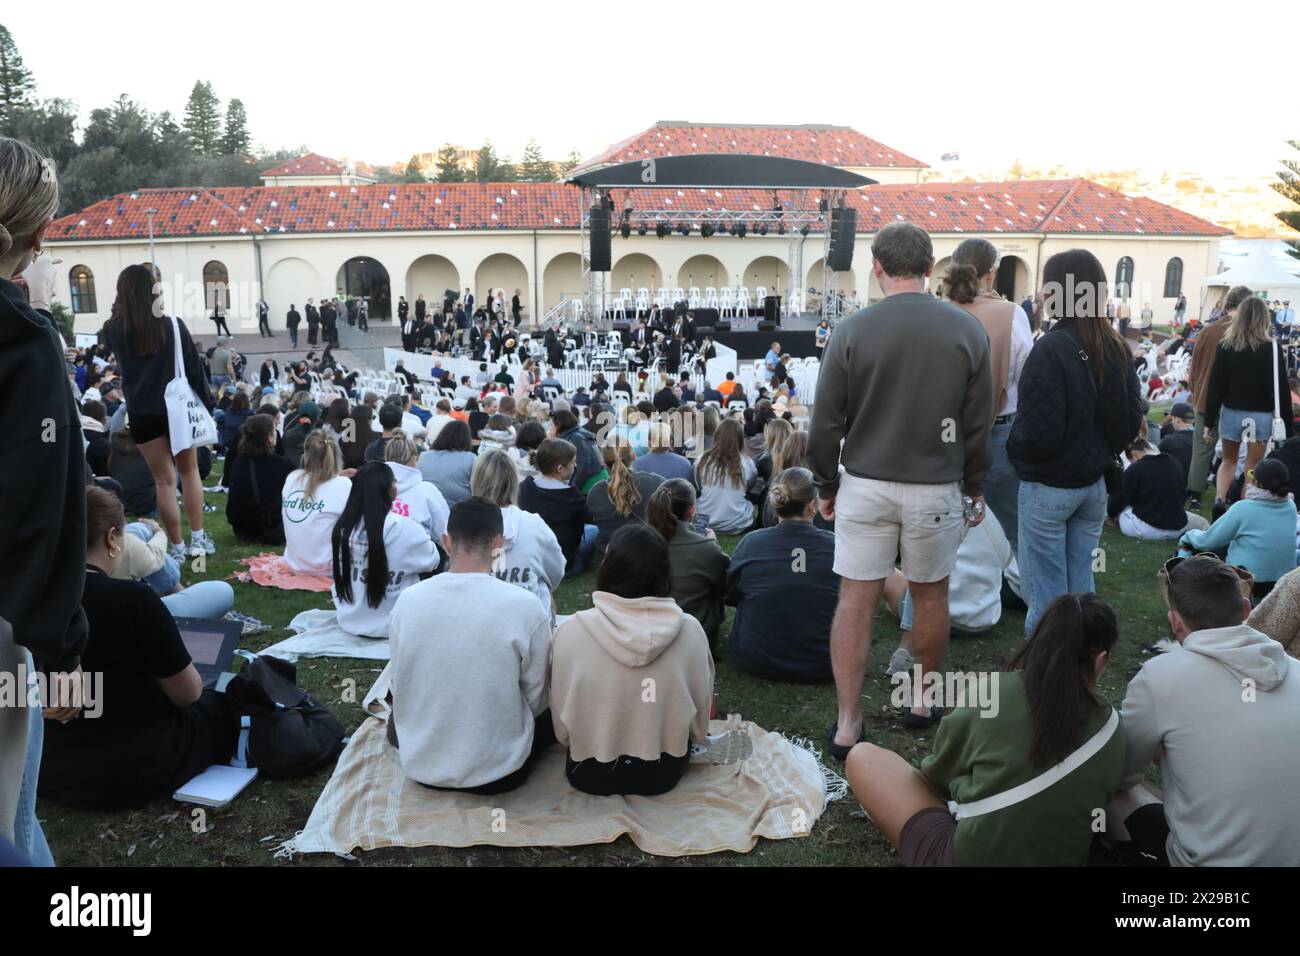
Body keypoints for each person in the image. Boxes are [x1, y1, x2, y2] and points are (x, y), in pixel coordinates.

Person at [809, 221, 994, 743]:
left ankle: (848, 723)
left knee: (855, 599)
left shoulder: (852, 330)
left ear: (878, 267)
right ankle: (921, 701)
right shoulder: (965, 329)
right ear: (931, 268)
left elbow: (825, 421)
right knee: (931, 597)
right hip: (935, 485)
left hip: (865, 482)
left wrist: (825, 485)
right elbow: (978, 423)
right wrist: (974, 483)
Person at [847, 593, 1124, 866]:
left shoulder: (992, 691)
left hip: (966, 856)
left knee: (864, 757)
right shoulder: (1112, 728)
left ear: (1039, 639)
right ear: (1100, 660)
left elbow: (938, 776)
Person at [39, 487, 241, 809]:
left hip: (51, 770)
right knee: (220, 706)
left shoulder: (27, 605)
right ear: (112, 537)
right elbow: (187, 694)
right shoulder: (133, 599)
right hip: (135, 769)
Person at [0, 137, 87, 864]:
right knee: (11, 834)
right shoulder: (26, 346)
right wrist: (60, 653)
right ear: (37, 236)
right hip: (5, 638)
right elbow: (43, 516)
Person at [1109, 555, 1300, 866]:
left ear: (1175, 621)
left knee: (1115, 795)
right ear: (1246, 608)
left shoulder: (1160, 677)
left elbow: (1122, 773)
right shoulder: (1297, 671)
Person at [1008, 249, 1143, 635]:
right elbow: (1130, 420)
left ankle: (1050, 683)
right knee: (1080, 590)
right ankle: (1079, 671)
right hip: (1091, 486)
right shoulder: (1115, 346)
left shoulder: (1051, 348)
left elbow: (1036, 433)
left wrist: (1015, 448)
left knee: (1048, 599)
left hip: (1052, 487)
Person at [386, 496, 553, 794]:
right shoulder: (526, 607)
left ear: (446, 541)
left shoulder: (408, 601)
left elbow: (401, 681)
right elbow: (537, 698)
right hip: (499, 774)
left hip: (421, 764)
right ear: (498, 543)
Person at [551, 523, 713, 796]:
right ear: (665, 572)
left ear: (608, 566)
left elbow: (562, 731)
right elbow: (700, 728)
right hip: (663, 775)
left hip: (589, 774)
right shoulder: (692, 631)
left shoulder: (570, 632)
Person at [103, 264, 216, 560]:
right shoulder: (173, 326)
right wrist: (207, 405)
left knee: (163, 481)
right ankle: (198, 540)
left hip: (142, 413)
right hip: (177, 409)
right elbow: (194, 371)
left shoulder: (114, 329)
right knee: (189, 472)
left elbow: (117, 316)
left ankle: (177, 547)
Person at [944, 238, 1033, 556]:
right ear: (992, 274)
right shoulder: (1011, 315)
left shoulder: (938, 312)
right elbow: (1027, 380)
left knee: (946, 527)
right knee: (1013, 527)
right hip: (998, 433)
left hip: (942, 435)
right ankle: (1022, 591)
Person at [722, 467, 837, 682]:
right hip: (822, 663)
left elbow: (731, 594)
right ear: (812, 505)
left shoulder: (751, 543)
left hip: (757, 658)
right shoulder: (836, 547)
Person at [1203, 297, 1293, 515]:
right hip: (1261, 415)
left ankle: (1219, 499)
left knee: (1228, 461)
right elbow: (1281, 388)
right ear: (1264, 318)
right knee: (1251, 468)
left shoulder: (1226, 345)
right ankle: (1240, 509)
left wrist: (1208, 422)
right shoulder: (1271, 347)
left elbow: (1216, 385)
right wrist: (1287, 427)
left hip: (1232, 412)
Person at [331, 462, 440, 638]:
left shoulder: (343, 527)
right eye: (394, 482)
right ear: (390, 490)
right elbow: (433, 561)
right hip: (396, 621)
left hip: (350, 619)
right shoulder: (406, 528)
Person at [1179, 458, 1296, 601]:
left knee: (1199, 547)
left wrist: (1189, 536)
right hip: (1282, 582)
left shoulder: (1243, 508)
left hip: (1247, 582)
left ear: (1256, 483)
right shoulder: (1290, 506)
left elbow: (1208, 541)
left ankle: (1179, 586)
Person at [470, 449, 566, 614]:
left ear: (476, 480)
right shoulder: (533, 524)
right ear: (513, 482)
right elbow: (557, 572)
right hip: (528, 619)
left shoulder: (460, 522)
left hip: (479, 615)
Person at [1186, 285, 1252, 510]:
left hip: (1205, 399)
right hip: (1234, 402)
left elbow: (1193, 368)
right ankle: (1234, 492)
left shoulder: (1208, 331)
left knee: (1202, 448)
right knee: (1237, 451)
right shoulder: (1246, 332)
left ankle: (1195, 492)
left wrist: (1196, 393)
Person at [645, 478, 730, 646]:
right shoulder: (707, 549)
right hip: (694, 637)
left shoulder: (635, 542)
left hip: (645, 630)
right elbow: (727, 587)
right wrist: (713, 544)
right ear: (692, 511)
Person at [517, 438, 598, 577]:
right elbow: (582, 528)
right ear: (560, 468)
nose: (576, 465)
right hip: (563, 562)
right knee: (594, 530)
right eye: (573, 463)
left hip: (532, 556)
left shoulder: (524, 487)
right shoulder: (573, 497)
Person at [1108, 439, 1210, 541]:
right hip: (1177, 528)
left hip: (1147, 529)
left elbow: (1115, 502)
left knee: (1124, 508)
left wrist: (1112, 515)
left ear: (1135, 455)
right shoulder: (1175, 463)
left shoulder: (1136, 468)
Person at [282, 429, 353, 575]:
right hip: (328, 568)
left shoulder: (292, 478)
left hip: (294, 564)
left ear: (306, 455)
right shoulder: (344, 485)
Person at [225, 413, 295, 544]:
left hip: (242, 529)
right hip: (269, 528)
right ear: (269, 437)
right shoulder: (282, 464)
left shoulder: (240, 461)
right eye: (274, 430)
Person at [587, 440, 662, 559]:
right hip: (649, 550)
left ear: (604, 462)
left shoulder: (595, 492)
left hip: (611, 554)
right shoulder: (656, 482)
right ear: (633, 456)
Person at [694, 417, 759, 534]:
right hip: (737, 524)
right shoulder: (748, 463)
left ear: (717, 436)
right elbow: (749, 486)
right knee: (749, 503)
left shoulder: (701, 460)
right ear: (740, 439)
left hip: (704, 522)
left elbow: (699, 486)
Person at [384, 432, 450, 545]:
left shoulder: (370, 486)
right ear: (414, 459)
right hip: (419, 557)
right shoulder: (427, 491)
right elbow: (445, 532)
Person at [419, 419, 476, 505]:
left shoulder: (423, 456)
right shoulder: (471, 459)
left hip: (424, 505)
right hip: (457, 510)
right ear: (466, 438)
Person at [550, 408, 604, 493]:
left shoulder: (577, 439)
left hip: (593, 485)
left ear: (559, 425)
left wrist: (571, 491)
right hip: (592, 483)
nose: (550, 428)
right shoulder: (574, 435)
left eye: (551, 425)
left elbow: (581, 468)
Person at [1157, 402, 1196, 483]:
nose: (1172, 422)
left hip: (1175, 483)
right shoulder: (1202, 439)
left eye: (1172, 419)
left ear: (1177, 420)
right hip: (1196, 482)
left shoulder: (1169, 441)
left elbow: (1154, 459)